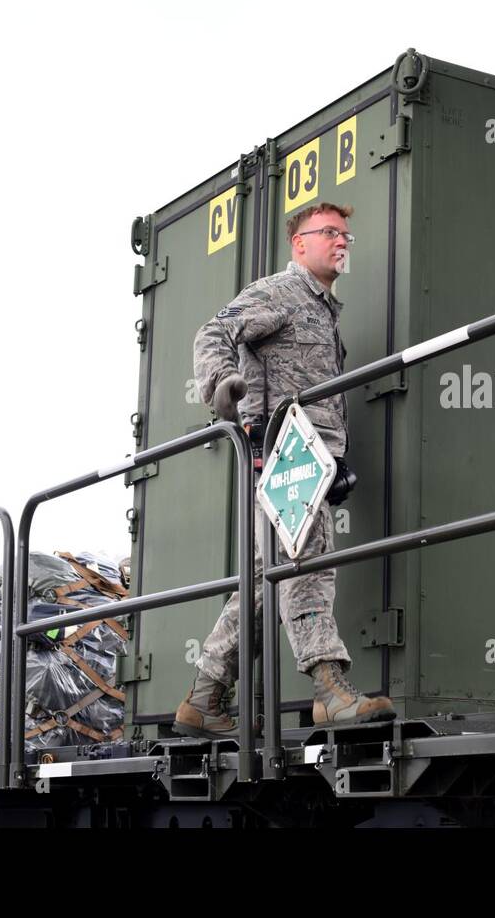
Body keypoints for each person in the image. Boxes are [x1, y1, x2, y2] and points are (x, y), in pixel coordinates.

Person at [173, 202, 395, 738]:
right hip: (286, 455)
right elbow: (211, 334)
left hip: (309, 458)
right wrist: (223, 387)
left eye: (347, 235)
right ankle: (328, 689)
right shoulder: (281, 293)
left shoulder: (322, 308)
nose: (342, 242)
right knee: (308, 565)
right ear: (300, 243)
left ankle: (203, 699)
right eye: (330, 234)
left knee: (261, 579)